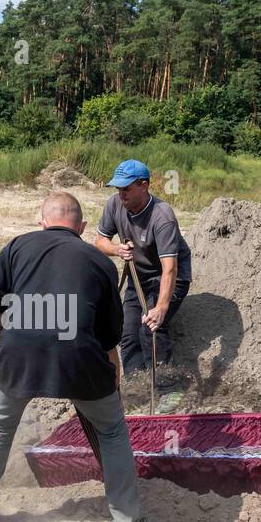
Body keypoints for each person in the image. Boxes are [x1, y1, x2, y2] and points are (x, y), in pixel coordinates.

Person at [0, 191, 155, 522]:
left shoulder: (16, 247)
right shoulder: (99, 261)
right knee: (112, 433)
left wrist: (11, 328)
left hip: (19, 355)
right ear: (82, 227)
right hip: (80, 357)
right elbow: (109, 336)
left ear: (41, 222)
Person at [92, 160, 192, 381]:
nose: (121, 194)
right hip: (139, 276)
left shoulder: (162, 216)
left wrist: (161, 308)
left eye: (126, 188)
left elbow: (170, 268)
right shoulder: (114, 205)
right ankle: (136, 386)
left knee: (150, 329)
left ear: (144, 185)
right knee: (127, 334)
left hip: (171, 276)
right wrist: (116, 249)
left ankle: (167, 389)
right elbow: (100, 241)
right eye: (118, 189)